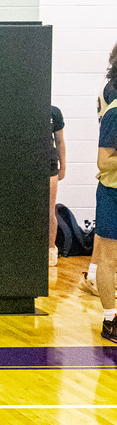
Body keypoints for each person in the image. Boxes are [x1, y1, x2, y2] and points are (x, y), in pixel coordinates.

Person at [95, 47, 117, 343]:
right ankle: (110, 318)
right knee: (109, 258)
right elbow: (104, 160)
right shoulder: (114, 113)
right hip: (113, 193)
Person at [49, 105, 66, 267]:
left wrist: (63, 166)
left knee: (49, 209)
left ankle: (50, 250)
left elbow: (60, 141)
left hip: (49, 165)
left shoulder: (54, 112)